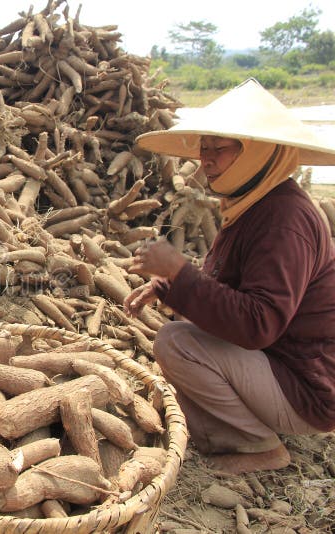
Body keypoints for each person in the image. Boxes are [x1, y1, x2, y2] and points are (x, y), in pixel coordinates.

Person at [123, 78, 335, 475]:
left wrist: (181, 272)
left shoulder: (283, 220)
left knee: (176, 342)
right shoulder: (256, 203)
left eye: (219, 148)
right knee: (183, 350)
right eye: (204, 148)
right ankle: (237, 426)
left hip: (307, 389)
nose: (206, 159)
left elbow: (259, 324)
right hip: (282, 370)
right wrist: (169, 285)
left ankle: (258, 446)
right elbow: (234, 291)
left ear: (260, 154)